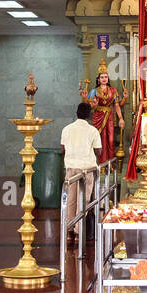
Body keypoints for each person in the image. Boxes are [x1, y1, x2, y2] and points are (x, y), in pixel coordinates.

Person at [60, 101, 101, 243]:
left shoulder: (66, 129)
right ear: (89, 115)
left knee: (70, 200)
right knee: (83, 201)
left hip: (71, 168)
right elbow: (98, 151)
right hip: (86, 170)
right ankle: (78, 234)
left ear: (76, 113)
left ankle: (69, 233)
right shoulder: (93, 131)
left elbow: (63, 149)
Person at [78, 60, 126, 164]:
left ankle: (110, 164)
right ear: (98, 79)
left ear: (108, 78)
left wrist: (121, 118)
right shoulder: (94, 91)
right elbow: (88, 106)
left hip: (109, 117)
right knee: (99, 139)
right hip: (97, 116)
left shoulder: (113, 91)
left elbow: (117, 105)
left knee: (110, 140)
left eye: (105, 77)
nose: (104, 79)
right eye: (102, 77)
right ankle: (99, 164)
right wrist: (85, 98)